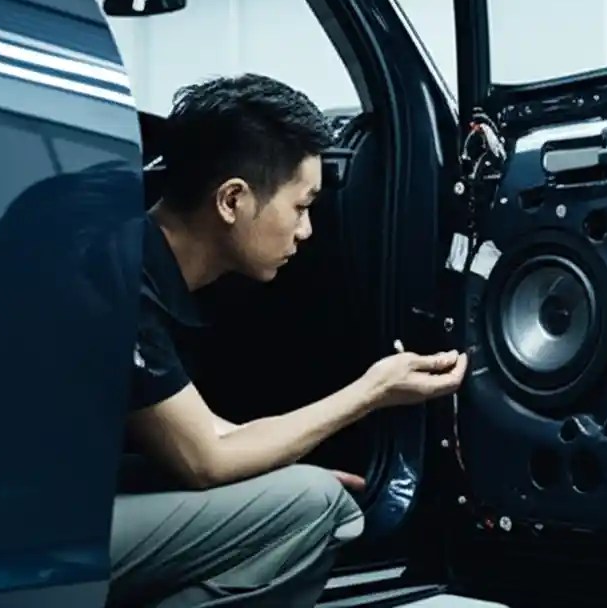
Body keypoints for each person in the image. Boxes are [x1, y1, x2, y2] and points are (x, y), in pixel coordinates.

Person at [106, 74, 467, 608]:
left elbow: (204, 432)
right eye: (301, 207)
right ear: (232, 200)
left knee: (292, 490)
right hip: (13, 535)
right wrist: (370, 392)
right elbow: (205, 459)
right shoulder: (122, 278)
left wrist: (277, 470)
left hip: (16, 512)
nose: (307, 231)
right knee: (321, 506)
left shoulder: (123, 251)